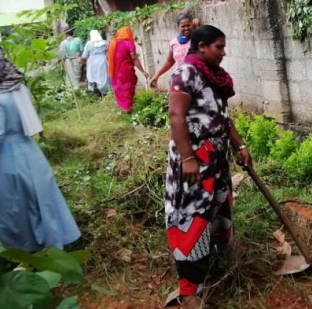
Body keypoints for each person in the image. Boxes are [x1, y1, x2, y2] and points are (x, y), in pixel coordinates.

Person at [0, 47, 81, 252]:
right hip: (28, 154)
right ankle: (39, 248)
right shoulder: (16, 88)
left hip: (4, 163)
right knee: (31, 204)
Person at [164, 26, 252, 309]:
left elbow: (222, 116)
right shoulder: (186, 73)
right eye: (219, 47)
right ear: (202, 46)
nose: (223, 53)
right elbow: (176, 115)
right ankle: (190, 293)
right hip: (194, 162)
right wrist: (189, 158)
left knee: (216, 210)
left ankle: (214, 267)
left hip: (216, 157)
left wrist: (239, 146)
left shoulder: (213, 75)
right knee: (193, 218)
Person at [107, 26, 149, 113]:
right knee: (127, 89)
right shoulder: (128, 43)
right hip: (126, 72)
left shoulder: (112, 44)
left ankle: (123, 107)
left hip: (115, 73)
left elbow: (108, 58)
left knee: (119, 89)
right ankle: (128, 109)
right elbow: (134, 59)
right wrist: (143, 71)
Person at [150, 13, 193, 89]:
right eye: (183, 26)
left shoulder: (197, 39)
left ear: (192, 25)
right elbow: (170, 61)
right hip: (180, 80)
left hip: (196, 79)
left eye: (188, 25)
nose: (186, 28)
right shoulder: (174, 43)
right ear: (178, 27)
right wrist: (157, 75)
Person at [81, 30, 109, 96]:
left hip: (92, 62)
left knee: (91, 76)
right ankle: (104, 92)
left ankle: (93, 93)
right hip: (102, 61)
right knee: (102, 76)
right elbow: (108, 52)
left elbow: (84, 55)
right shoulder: (105, 43)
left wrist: (81, 60)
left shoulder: (89, 43)